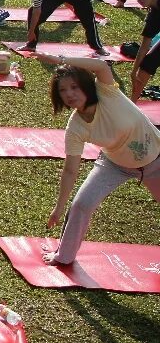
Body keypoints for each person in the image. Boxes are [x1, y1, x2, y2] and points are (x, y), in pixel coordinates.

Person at [40, 54, 160, 264]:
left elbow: (100, 66)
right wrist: (58, 208)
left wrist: (59, 59)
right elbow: (70, 170)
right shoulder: (75, 127)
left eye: (74, 87)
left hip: (156, 159)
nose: (69, 94)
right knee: (81, 205)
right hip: (114, 164)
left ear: (86, 86)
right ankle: (64, 256)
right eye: (63, 90)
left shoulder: (107, 92)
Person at [126, 0, 160, 99]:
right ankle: (132, 105)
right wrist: (133, 72)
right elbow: (144, 47)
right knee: (148, 62)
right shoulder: (153, 17)